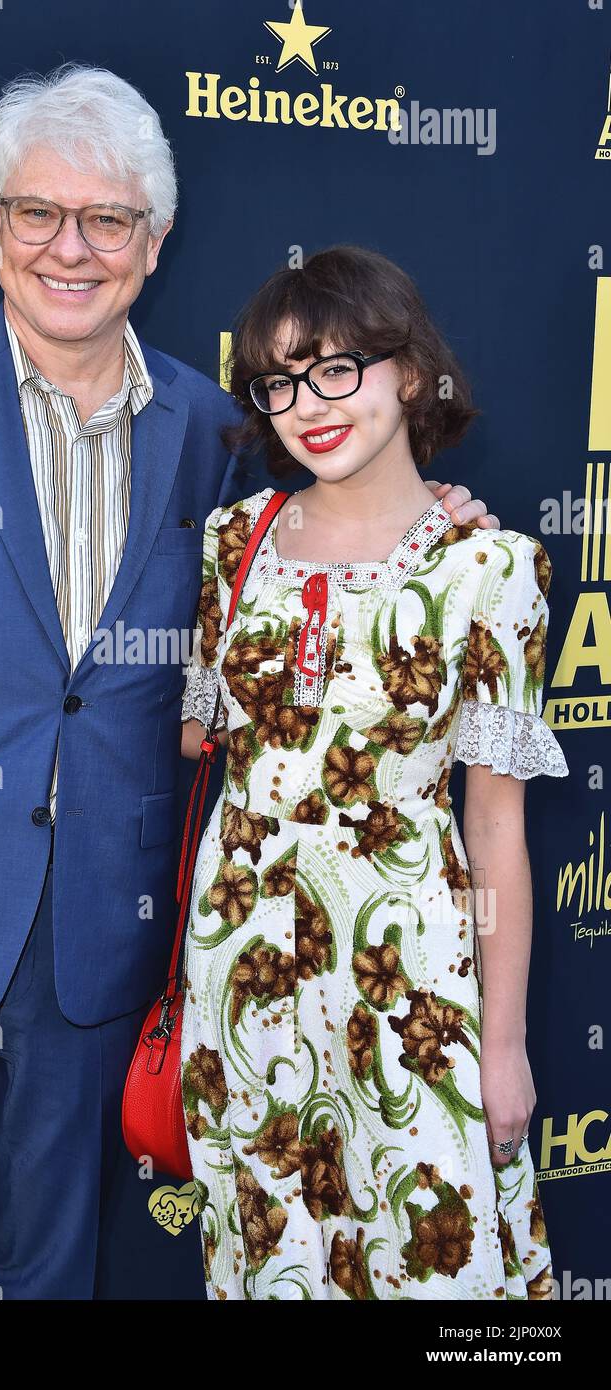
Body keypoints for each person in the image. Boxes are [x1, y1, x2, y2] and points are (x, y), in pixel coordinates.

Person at [0, 62, 497, 1301]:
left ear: (152, 244)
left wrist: (440, 522)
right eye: (38, 213)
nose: (70, 248)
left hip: (106, 936)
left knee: (51, 1272)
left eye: (107, 220)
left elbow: (324, 544)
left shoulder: (216, 435)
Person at [179, 245, 567, 1301]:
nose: (308, 402)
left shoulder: (489, 566)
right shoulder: (231, 544)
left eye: (337, 367)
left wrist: (504, 1043)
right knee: (271, 1263)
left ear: (407, 372)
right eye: (280, 379)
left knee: (432, 1265)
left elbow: (494, 829)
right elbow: (204, 747)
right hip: (242, 977)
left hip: (406, 983)